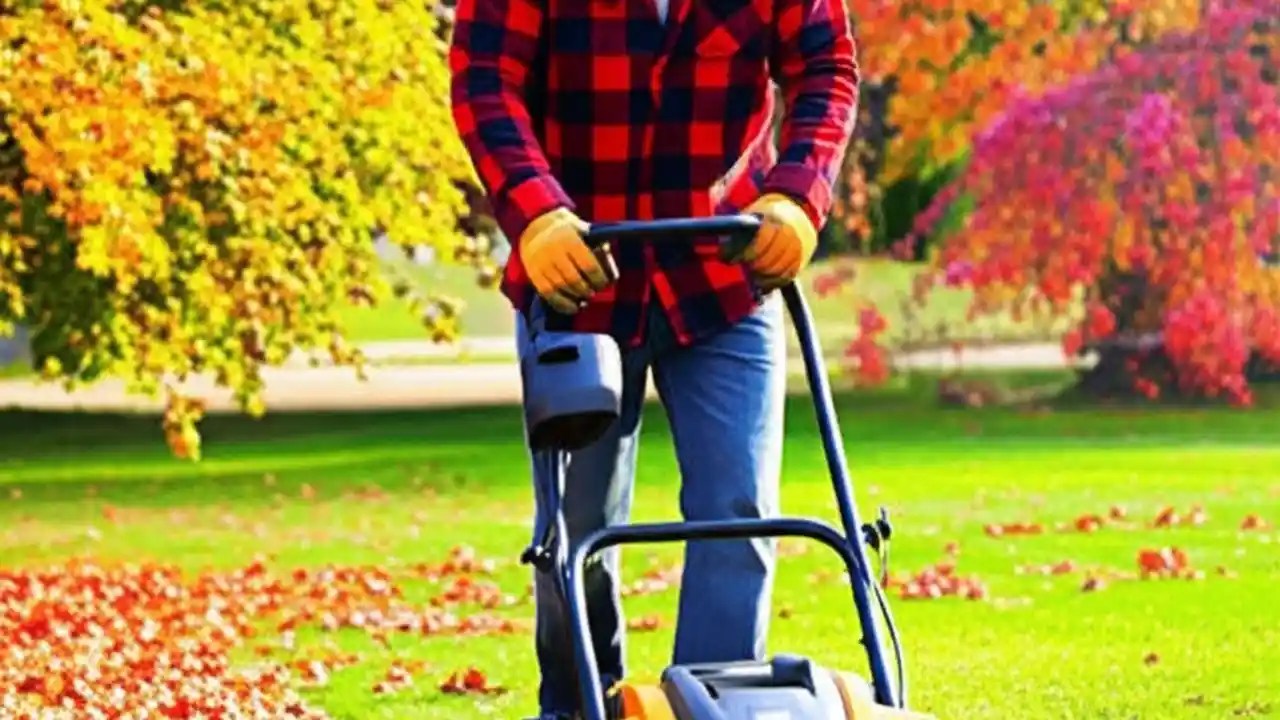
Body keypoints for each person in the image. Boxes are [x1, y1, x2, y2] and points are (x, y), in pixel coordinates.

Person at [449, 0, 859, 715]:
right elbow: (486, 78)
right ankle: (580, 705)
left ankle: (712, 705)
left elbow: (825, 67)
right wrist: (536, 213)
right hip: (577, 281)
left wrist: (798, 197)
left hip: (724, 277)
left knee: (740, 514)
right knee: (577, 531)